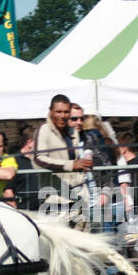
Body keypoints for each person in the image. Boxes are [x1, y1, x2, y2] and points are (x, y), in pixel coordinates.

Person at [35, 95, 94, 224]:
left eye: (66, 112)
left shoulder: (73, 131)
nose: (62, 115)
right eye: (58, 111)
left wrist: (84, 164)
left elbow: (76, 160)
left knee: (84, 241)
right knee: (61, 243)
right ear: (51, 111)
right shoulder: (43, 130)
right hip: (57, 200)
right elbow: (39, 159)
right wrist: (71, 165)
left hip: (80, 197)